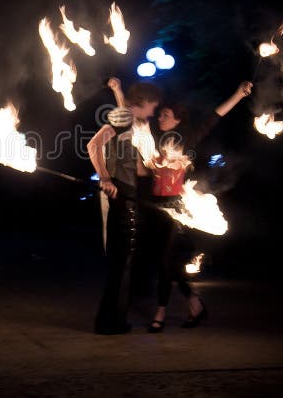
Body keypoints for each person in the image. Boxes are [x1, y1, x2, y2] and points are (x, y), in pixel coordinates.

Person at [108, 78, 252, 332]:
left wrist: (239, 94)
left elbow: (216, 114)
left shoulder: (188, 136)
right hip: (154, 206)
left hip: (176, 208)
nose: (159, 117)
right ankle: (194, 303)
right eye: (159, 113)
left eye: (165, 114)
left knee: (166, 259)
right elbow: (129, 119)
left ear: (177, 119)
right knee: (169, 261)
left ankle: (160, 314)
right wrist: (118, 91)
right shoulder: (151, 136)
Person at [87, 81, 161, 334]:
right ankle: (109, 322)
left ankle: (113, 320)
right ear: (142, 102)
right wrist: (104, 177)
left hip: (130, 193)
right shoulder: (125, 118)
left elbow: (135, 158)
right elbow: (93, 145)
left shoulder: (134, 123)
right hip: (120, 193)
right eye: (152, 106)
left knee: (125, 263)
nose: (153, 112)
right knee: (122, 262)